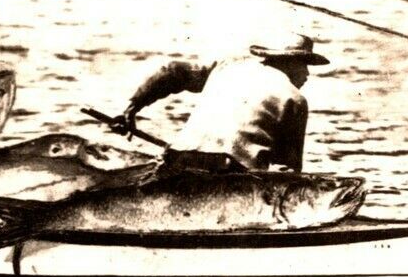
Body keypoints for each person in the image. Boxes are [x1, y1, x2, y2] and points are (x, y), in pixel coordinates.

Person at [116, 31, 328, 173]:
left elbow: (172, 72)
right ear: (289, 61)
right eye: (305, 64)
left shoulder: (228, 65)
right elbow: (288, 170)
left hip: (176, 158)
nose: (307, 73)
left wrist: (132, 108)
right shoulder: (295, 99)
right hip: (230, 174)